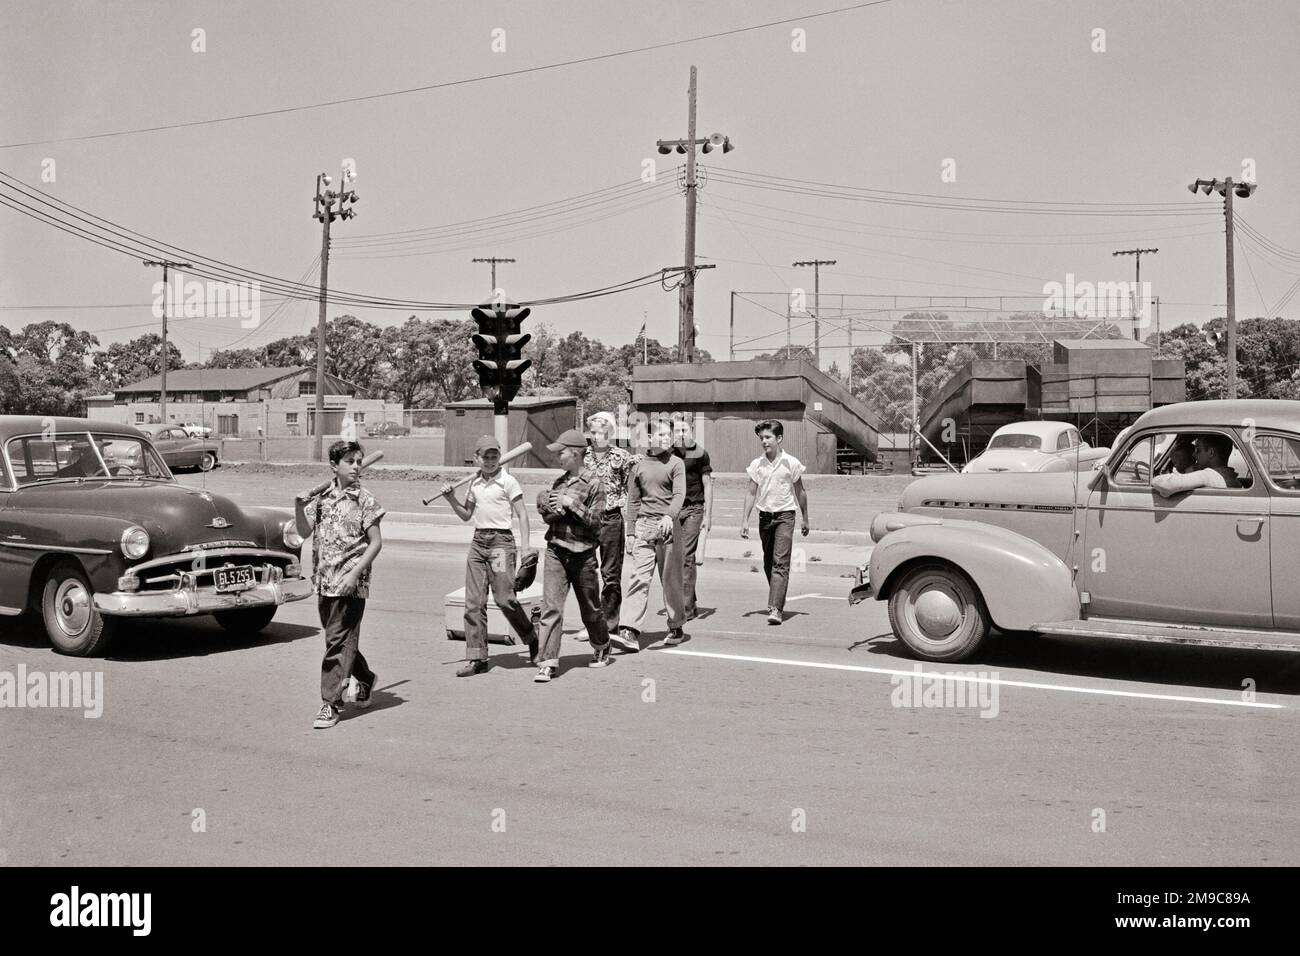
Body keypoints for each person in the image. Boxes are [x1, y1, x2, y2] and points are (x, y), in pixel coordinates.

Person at [295, 440, 385, 730]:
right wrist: (298, 507)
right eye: (350, 461)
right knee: (340, 640)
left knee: (336, 642)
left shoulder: (365, 500)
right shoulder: (320, 500)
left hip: (351, 583)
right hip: (325, 580)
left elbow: (376, 543)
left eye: (359, 461)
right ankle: (366, 677)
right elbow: (303, 531)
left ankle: (331, 703)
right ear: (334, 465)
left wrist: (354, 574)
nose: (357, 466)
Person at [437, 435, 538, 675]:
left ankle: (532, 638)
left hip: (501, 543)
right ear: (476, 459)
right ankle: (477, 658)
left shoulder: (508, 481)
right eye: (486, 456)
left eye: (495, 456)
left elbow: (523, 515)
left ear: (500, 457)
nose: (491, 460)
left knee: (505, 599)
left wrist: (525, 548)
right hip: (478, 542)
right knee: (473, 603)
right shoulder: (473, 484)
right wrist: (451, 498)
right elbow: (465, 515)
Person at [533, 429, 613, 682]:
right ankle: (547, 662)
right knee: (551, 609)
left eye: (562, 452)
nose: (558, 456)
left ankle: (602, 644)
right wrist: (549, 507)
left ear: (576, 454)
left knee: (590, 610)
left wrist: (571, 504)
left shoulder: (595, 483)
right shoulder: (559, 482)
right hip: (556, 550)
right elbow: (547, 515)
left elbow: (598, 522)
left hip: (583, 555)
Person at [616, 418, 686, 650]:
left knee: (670, 579)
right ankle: (629, 630)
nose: (668, 438)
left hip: (668, 527)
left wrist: (669, 516)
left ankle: (676, 625)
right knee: (639, 577)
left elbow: (678, 495)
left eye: (670, 435)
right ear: (650, 438)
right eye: (663, 435)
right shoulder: (638, 465)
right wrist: (630, 532)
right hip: (644, 527)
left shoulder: (676, 463)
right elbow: (633, 501)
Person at [741, 420, 811, 626]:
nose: (764, 441)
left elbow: (800, 491)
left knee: (780, 563)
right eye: (761, 438)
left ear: (779, 439)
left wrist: (805, 518)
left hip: (785, 517)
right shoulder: (757, 464)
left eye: (768, 437)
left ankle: (775, 608)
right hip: (765, 518)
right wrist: (744, 520)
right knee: (768, 563)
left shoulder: (791, 463)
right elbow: (751, 492)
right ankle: (778, 593)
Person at [582, 411, 639, 640]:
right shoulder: (582, 456)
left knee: (610, 575)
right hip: (586, 519)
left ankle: (610, 624)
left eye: (602, 433)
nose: (597, 437)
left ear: (611, 433)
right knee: (586, 572)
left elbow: (631, 488)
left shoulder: (622, 457)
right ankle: (592, 622)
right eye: (593, 432)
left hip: (612, 518)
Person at [672, 415, 713, 620]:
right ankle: (691, 601)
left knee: (686, 556)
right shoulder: (668, 454)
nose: (681, 434)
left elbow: (707, 485)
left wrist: (708, 515)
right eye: (677, 431)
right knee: (676, 557)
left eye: (684, 430)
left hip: (694, 509)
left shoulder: (700, 454)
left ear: (691, 431)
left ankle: (685, 608)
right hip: (674, 510)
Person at [1152, 433, 1242, 497]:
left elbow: (1165, 484)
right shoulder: (1230, 476)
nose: (1194, 455)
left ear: (1211, 452)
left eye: (1198, 450)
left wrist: (1153, 479)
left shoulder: (1208, 475)